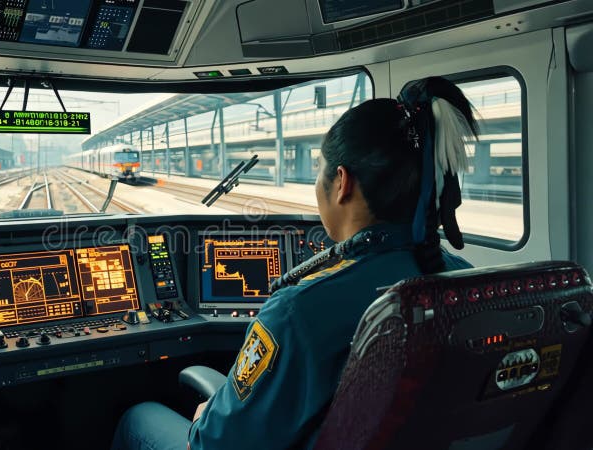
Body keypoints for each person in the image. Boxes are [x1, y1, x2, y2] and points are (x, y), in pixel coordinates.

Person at [111, 76, 479, 450]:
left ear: (342, 183)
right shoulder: (465, 280)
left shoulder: (298, 310)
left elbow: (215, 444)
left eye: (320, 168)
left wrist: (204, 421)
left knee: (138, 418)